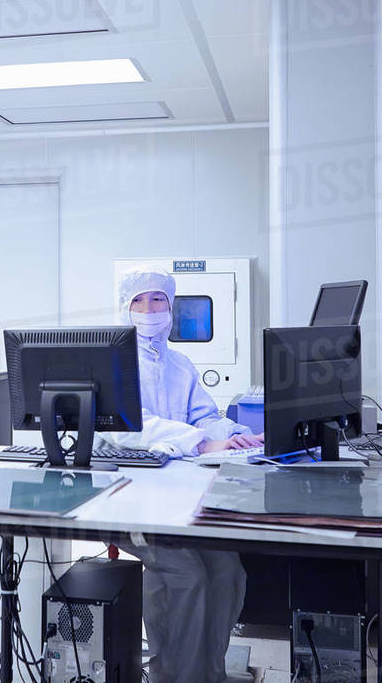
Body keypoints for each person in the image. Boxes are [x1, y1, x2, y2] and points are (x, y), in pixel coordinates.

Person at [104, 266, 263, 683]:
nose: (150, 309)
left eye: (158, 299)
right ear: (125, 308)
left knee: (228, 570)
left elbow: (205, 416)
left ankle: (209, 673)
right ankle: (172, 676)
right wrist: (199, 443)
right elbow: (132, 427)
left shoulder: (179, 364)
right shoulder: (113, 364)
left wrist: (239, 436)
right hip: (130, 501)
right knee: (186, 576)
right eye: (139, 300)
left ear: (170, 307)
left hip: (178, 498)